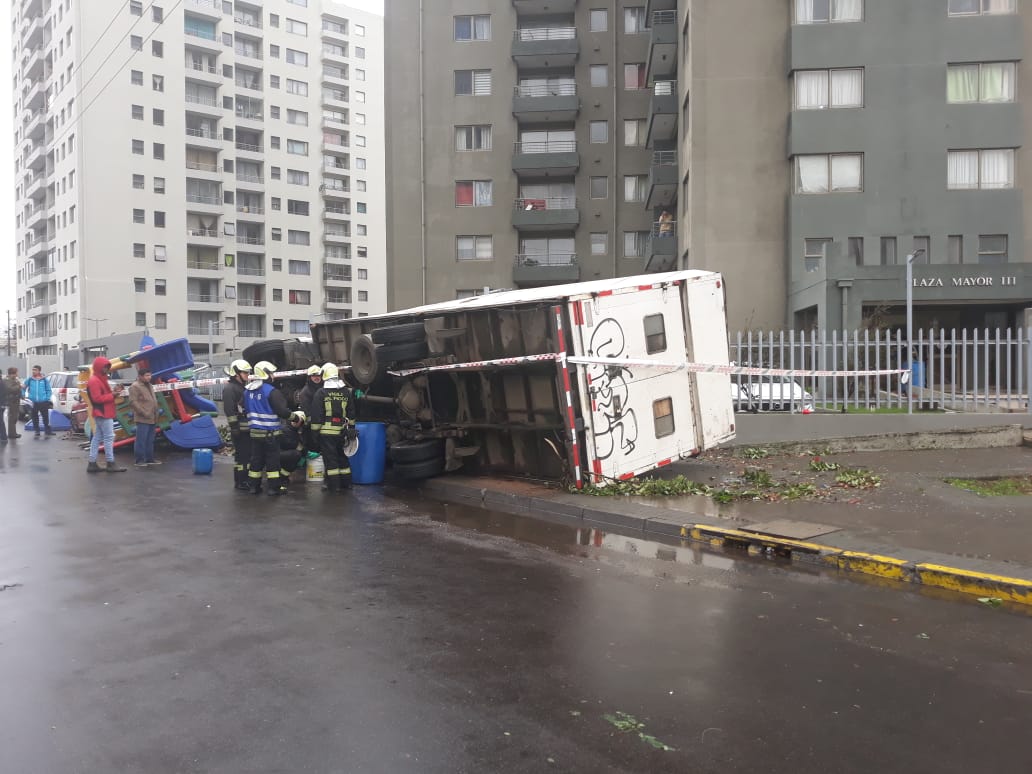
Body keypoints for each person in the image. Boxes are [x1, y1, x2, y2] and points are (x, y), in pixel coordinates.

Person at [242, 360, 291, 495]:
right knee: (272, 461)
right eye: (271, 373)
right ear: (266, 374)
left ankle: (253, 487)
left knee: (256, 460)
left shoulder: (247, 391)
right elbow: (282, 411)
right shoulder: (271, 391)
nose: (273, 376)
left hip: (255, 433)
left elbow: (244, 408)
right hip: (270, 434)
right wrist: (295, 417)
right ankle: (273, 488)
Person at [310, 362, 356, 494]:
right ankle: (347, 484)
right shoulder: (346, 392)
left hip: (326, 433)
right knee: (342, 457)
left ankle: (334, 487)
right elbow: (351, 412)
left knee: (331, 461)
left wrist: (314, 434)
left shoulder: (321, 392)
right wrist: (351, 428)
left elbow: (316, 415)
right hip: (342, 431)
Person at [86, 357, 127, 473]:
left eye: (107, 367)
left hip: (101, 412)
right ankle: (110, 462)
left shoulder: (97, 379)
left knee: (97, 437)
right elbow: (97, 398)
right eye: (105, 367)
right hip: (103, 412)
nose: (106, 369)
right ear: (99, 367)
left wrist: (113, 392)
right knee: (109, 437)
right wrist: (113, 395)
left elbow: (99, 397)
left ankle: (92, 462)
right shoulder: (95, 380)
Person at [222, 359, 253, 491]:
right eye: (244, 373)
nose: (247, 375)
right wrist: (234, 427)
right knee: (242, 457)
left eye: (247, 373)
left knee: (245, 456)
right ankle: (241, 481)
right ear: (236, 373)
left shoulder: (241, 387)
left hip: (245, 428)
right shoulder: (230, 389)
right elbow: (229, 410)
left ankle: (243, 480)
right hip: (239, 429)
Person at [128, 368, 160, 467]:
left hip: (152, 416)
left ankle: (149, 459)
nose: (149, 377)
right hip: (143, 418)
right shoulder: (135, 386)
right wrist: (143, 412)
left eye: (150, 375)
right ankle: (139, 460)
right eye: (147, 375)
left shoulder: (149, 385)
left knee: (150, 440)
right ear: (140, 376)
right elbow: (133, 402)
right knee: (141, 440)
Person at [274, 411, 308, 495]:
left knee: (298, 455)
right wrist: (299, 447)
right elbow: (288, 443)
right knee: (296, 455)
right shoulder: (285, 428)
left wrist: (304, 451)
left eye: (300, 421)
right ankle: (281, 477)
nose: (298, 422)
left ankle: (283, 476)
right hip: (276, 454)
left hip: (280, 454)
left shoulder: (293, 429)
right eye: (297, 420)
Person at [23, 364, 54, 437]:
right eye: (33, 370)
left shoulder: (44, 380)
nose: (33, 371)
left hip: (43, 401)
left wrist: (47, 398)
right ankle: (37, 431)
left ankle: (47, 431)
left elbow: (48, 390)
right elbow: (23, 387)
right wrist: (23, 395)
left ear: (39, 371)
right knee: (34, 417)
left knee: (45, 417)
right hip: (33, 402)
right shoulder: (30, 379)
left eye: (35, 370)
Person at [297, 364, 323, 451]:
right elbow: (306, 413)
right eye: (314, 375)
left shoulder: (323, 388)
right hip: (312, 429)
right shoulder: (305, 392)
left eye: (318, 375)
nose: (317, 377)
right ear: (309, 377)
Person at [4, 367, 23, 440]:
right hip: (11, 401)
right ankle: (12, 434)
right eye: (16, 372)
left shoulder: (15, 380)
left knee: (15, 417)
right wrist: (19, 386)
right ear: (13, 373)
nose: (17, 374)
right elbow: (10, 389)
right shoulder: (7, 380)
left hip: (16, 400)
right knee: (12, 417)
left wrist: (22, 396)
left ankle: (13, 432)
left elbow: (17, 389)